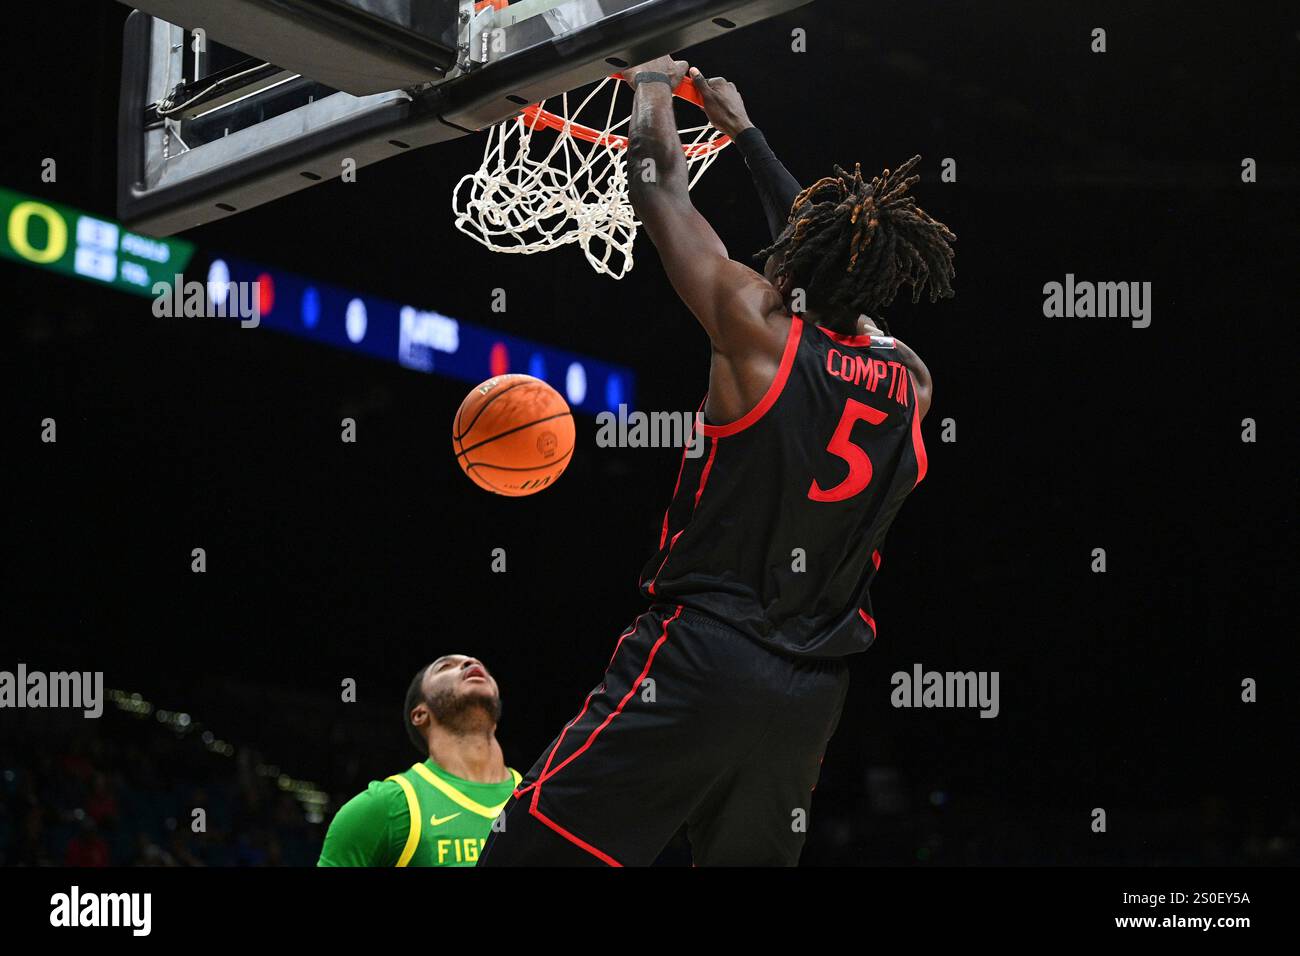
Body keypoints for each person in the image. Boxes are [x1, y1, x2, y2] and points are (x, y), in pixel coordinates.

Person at [479, 58, 955, 867]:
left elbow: (660, 186)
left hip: (705, 654)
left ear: (792, 268)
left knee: (530, 850)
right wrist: (747, 134)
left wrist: (652, 81)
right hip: (810, 696)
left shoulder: (755, 328)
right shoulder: (910, 380)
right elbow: (835, 262)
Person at [318, 656, 519, 867]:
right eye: (445, 667)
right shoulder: (383, 807)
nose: (471, 662)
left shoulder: (535, 797)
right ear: (420, 714)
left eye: (479, 664)